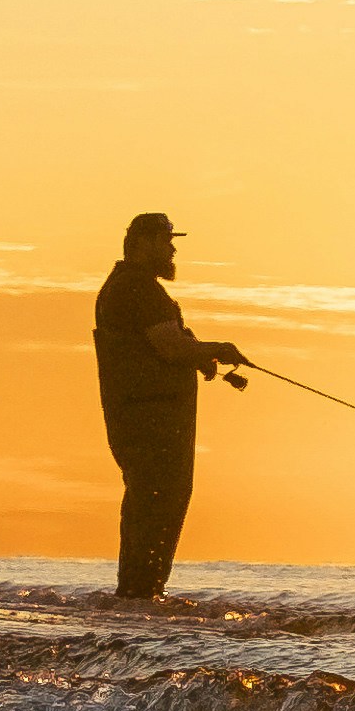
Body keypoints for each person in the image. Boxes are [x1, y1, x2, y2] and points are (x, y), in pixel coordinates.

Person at [92, 211, 244, 603]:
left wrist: (199, 357)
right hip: (151, 420)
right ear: (142, 243)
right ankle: (142, 597)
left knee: (149, 503)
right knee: (158, 504)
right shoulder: (136, 289)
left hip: (143, 417)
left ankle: (138, 596)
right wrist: (219, 349)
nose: (172, 249)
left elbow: (163, 347)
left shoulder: (125, 287)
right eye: (165, 241)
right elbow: (172, 347)